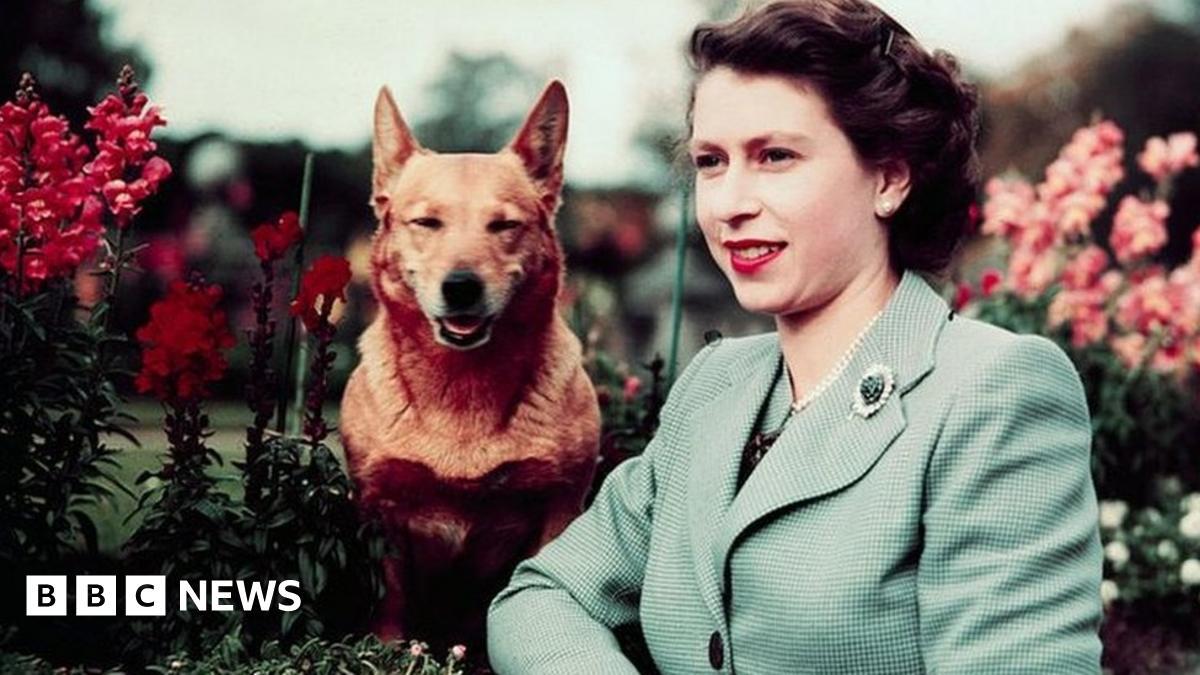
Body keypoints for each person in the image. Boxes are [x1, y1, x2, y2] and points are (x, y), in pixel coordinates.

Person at [487, 1, 1103, 672]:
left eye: (775, 156)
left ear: (891, 177)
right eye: (712, 161)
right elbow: (543, 596)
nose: (729, 202)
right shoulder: (715, 385)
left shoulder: (993, 391)